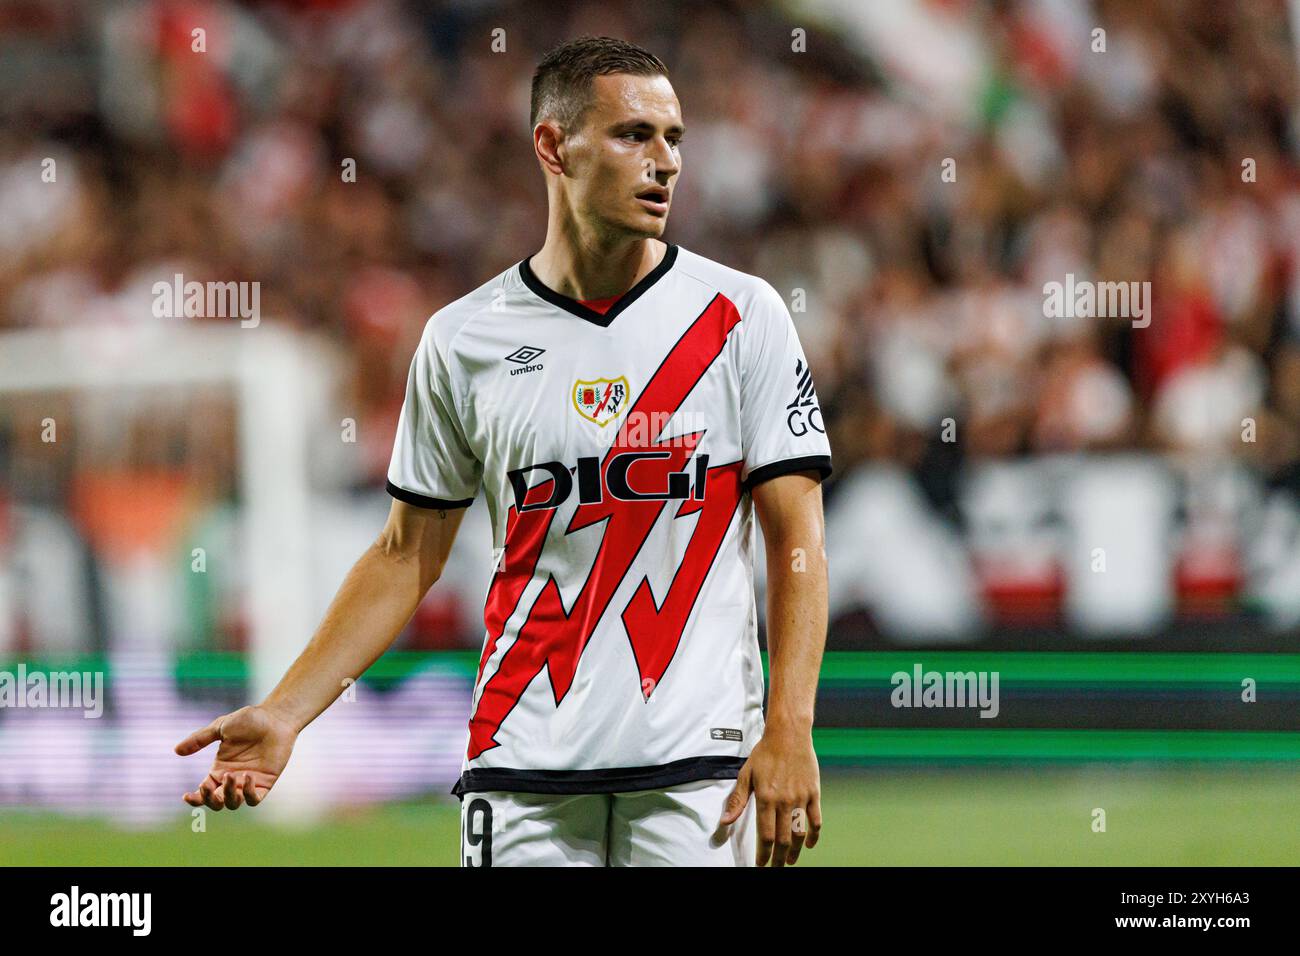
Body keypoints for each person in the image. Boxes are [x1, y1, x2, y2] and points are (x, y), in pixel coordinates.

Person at [175, 34, 833, 867]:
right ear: (553, 146)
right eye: (634, 135)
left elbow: (798, 539)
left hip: (700, 769)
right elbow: (404, 553)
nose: (664, 161)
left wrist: (791, 725)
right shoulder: (462, 341)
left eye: (674, 139)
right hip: (520, 764)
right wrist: (286, 710)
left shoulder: (743, 315)